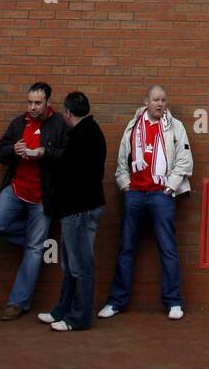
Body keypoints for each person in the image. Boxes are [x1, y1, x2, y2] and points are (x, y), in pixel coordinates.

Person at [99, 85, 192, 320]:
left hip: (162, 195)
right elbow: (122, 160)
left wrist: (170, 187)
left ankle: (173, 301)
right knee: (126, 248)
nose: (160, 104)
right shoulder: (133, 126)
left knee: (168, 248)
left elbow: (184, 159)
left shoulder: (175, 127)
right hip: (136, 195)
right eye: (155, 100)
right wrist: (126, 186)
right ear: (146, 102)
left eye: (163, 100)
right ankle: (116, 301)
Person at [0, 81, 68, 320]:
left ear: (48, 103)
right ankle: (35, 242)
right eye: (30, 102)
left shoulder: (59, 124)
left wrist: (45, 152)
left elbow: (67, 155)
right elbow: (0, 153)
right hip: (15, 190)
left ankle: (18, 302)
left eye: (37, 103)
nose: (32, 107)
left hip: (42, 197)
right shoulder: (19, 123)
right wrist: (14, 150)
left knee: (33, 250)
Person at [38, 92, 107, 332]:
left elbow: (69, 173)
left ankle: (78, 317)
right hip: (81, 207)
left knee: (80, 265)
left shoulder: (81, 136)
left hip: (79, 209)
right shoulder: (91, 132)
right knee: (71, 264)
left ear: (68, 113)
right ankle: (63, 309)